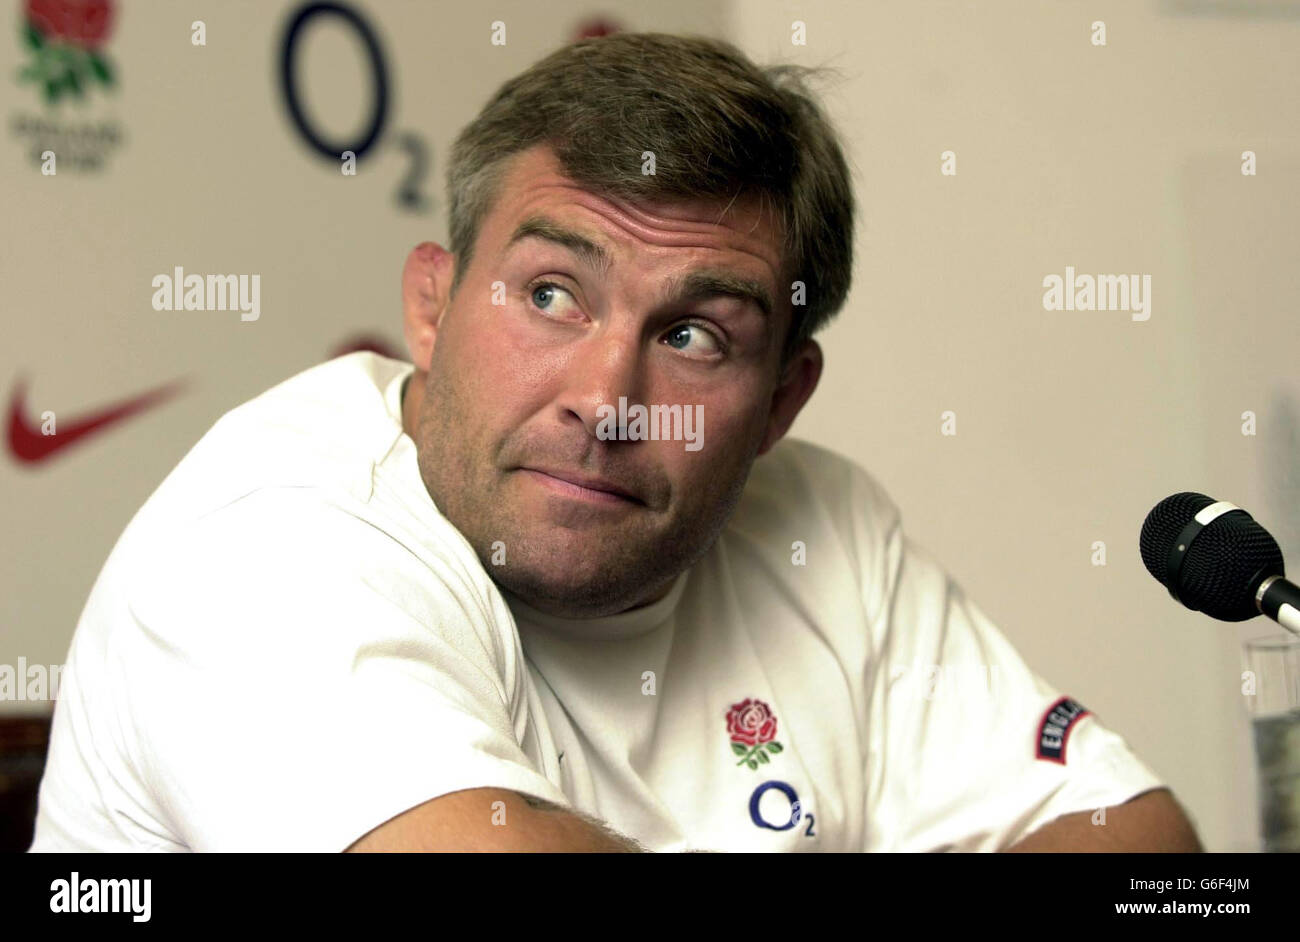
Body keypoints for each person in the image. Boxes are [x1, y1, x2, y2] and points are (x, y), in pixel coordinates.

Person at [30, 32, 1201, 852]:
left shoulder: (820, 523)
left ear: (782, 401)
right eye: (550, 296)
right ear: (431, 309)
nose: (609, 397)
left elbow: (1131, 839)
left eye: (693, 333)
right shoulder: (268, 533)